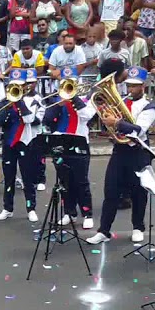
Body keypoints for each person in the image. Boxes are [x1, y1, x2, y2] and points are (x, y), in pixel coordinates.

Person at [87, 67, 155, 245]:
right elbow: (110, 126)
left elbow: (139, 130)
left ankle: (138, 227)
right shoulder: (121, 102)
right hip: (120, 151)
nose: (131, 90)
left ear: (143, 86)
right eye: (129, 86)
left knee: (138, 193)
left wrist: (117, 122)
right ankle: (104, 230)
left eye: (135, 86)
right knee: (111, 191)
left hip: (138, 153)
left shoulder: (149, 107)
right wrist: (109, 126)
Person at [39, 67, 94, 229]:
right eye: (65, 85)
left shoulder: (86, 100)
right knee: (64, 181)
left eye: (71, 85)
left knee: (81, 181)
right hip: (60, 144)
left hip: (80, 145)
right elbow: (47, 120)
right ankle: (69, 213)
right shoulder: (55, 100)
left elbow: (87, 116)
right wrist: (59, 103)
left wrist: (74, 98)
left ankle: (87, 213)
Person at [0, 69, 42, 222]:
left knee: (28, 177)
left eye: (20, 85)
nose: (17, 88)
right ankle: (7, 208)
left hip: (26, 142)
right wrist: (8, 107)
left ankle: (31, 208)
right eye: (14, 85)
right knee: (9, 177)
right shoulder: (4, 101)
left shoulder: (33, 100)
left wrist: (19, 102)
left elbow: (30, 119)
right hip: (9, 142)